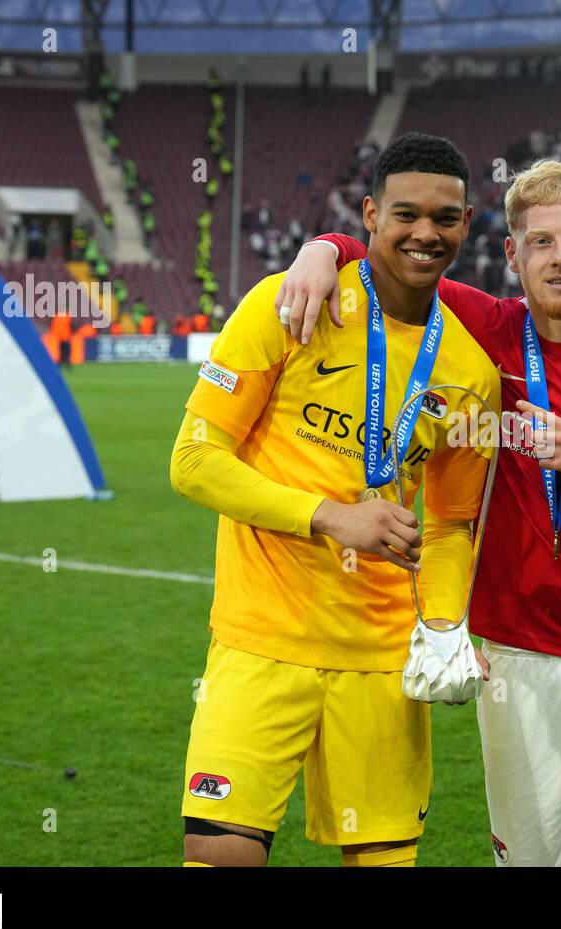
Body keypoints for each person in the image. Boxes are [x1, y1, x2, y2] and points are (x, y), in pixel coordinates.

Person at [278, 158, 561, 866]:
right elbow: (396, 256)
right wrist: (321, 249)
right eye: (543, 243)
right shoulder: (486, 329)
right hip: (516, 664)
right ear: (512, 254)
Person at [170, 133, 499, 867]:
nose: (425, 233)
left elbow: (449, 522)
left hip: (382, 662)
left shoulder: (471, 372)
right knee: (219, 856)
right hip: (262, 642)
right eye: (406, 214)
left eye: (445, 219)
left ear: (468, 224)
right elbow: (193, 462)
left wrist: (444, 625)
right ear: (370, 214)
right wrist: (328, 516)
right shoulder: (292, 304)